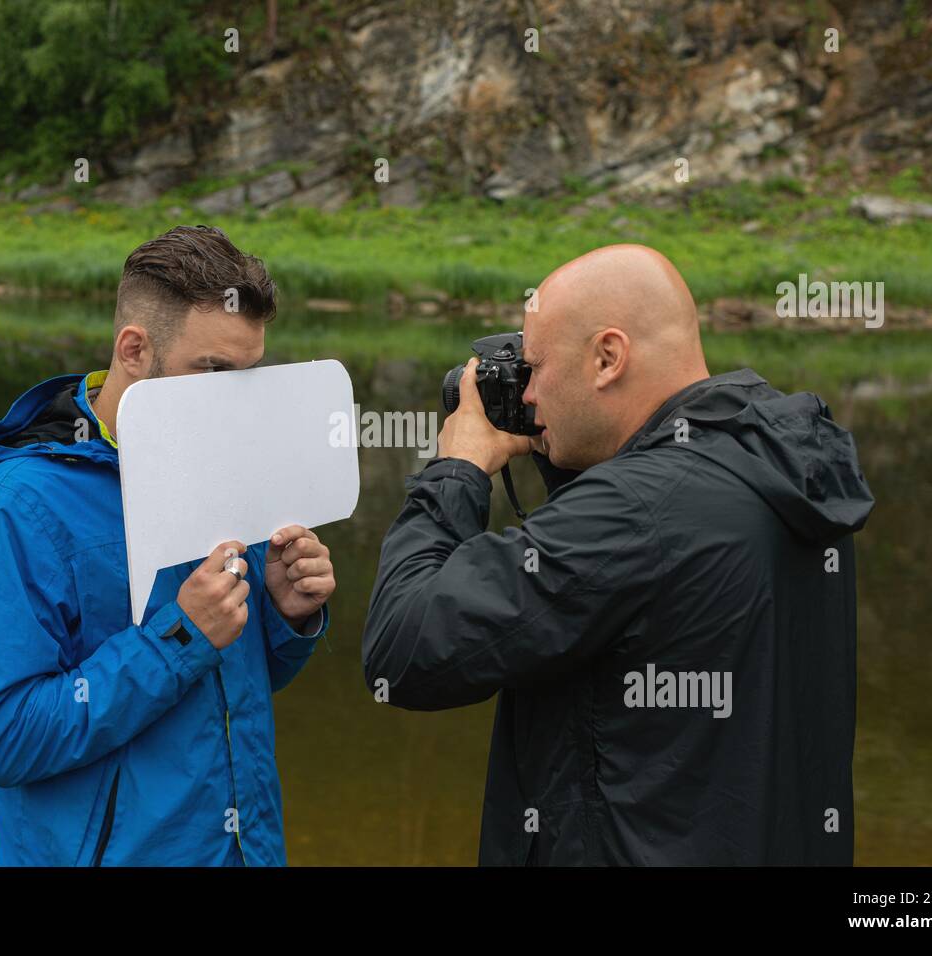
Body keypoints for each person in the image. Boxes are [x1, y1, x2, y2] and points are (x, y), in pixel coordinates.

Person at [362, 243, 874, 865]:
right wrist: (566, 458)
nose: (525, 397)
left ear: (608, 357)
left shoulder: (632, 512)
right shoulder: (780, 465)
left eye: (536, 367)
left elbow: (403, 651)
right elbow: (629, 598)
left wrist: (457, 467)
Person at [0, 226, 336, 866]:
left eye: (248, 376)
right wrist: (179, 635)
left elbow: (240, 682)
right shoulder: (16, 507)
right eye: (211, 371)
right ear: (134, 348)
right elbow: (7, 740)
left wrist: (286, 615)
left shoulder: (231, 473)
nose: (233, 402)